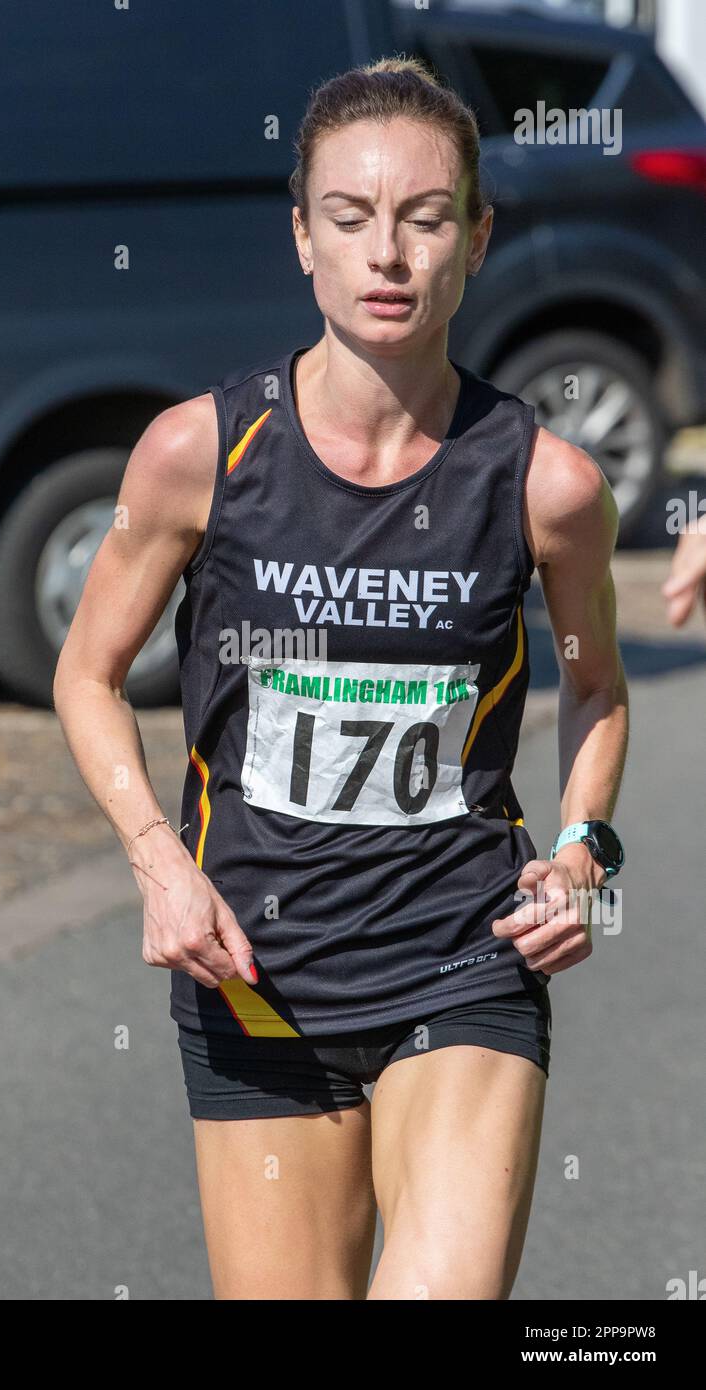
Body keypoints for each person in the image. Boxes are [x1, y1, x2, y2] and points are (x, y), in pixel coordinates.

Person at [53, 56, 629, 1300]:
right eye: (352, 219)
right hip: (252, 975)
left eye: (425, 220)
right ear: (300, 236)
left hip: (460, 955)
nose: (389, 256)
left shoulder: (547, 484)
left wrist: (581, 852)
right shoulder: (197, 453)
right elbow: (88, 674)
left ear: (474, 238)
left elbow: (593, 687)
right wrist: (161, 868)